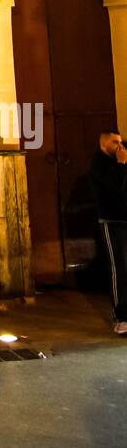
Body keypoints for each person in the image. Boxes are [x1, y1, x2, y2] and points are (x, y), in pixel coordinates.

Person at [89, 129, 127, 335]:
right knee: (118, 269)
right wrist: (121, 164)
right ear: (104, 145)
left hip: (125, 219)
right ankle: (121, 317)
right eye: (115, 143)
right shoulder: (99, 164)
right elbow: (116, 186)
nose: (120, 147)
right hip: (112, 221)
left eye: (120, 142)